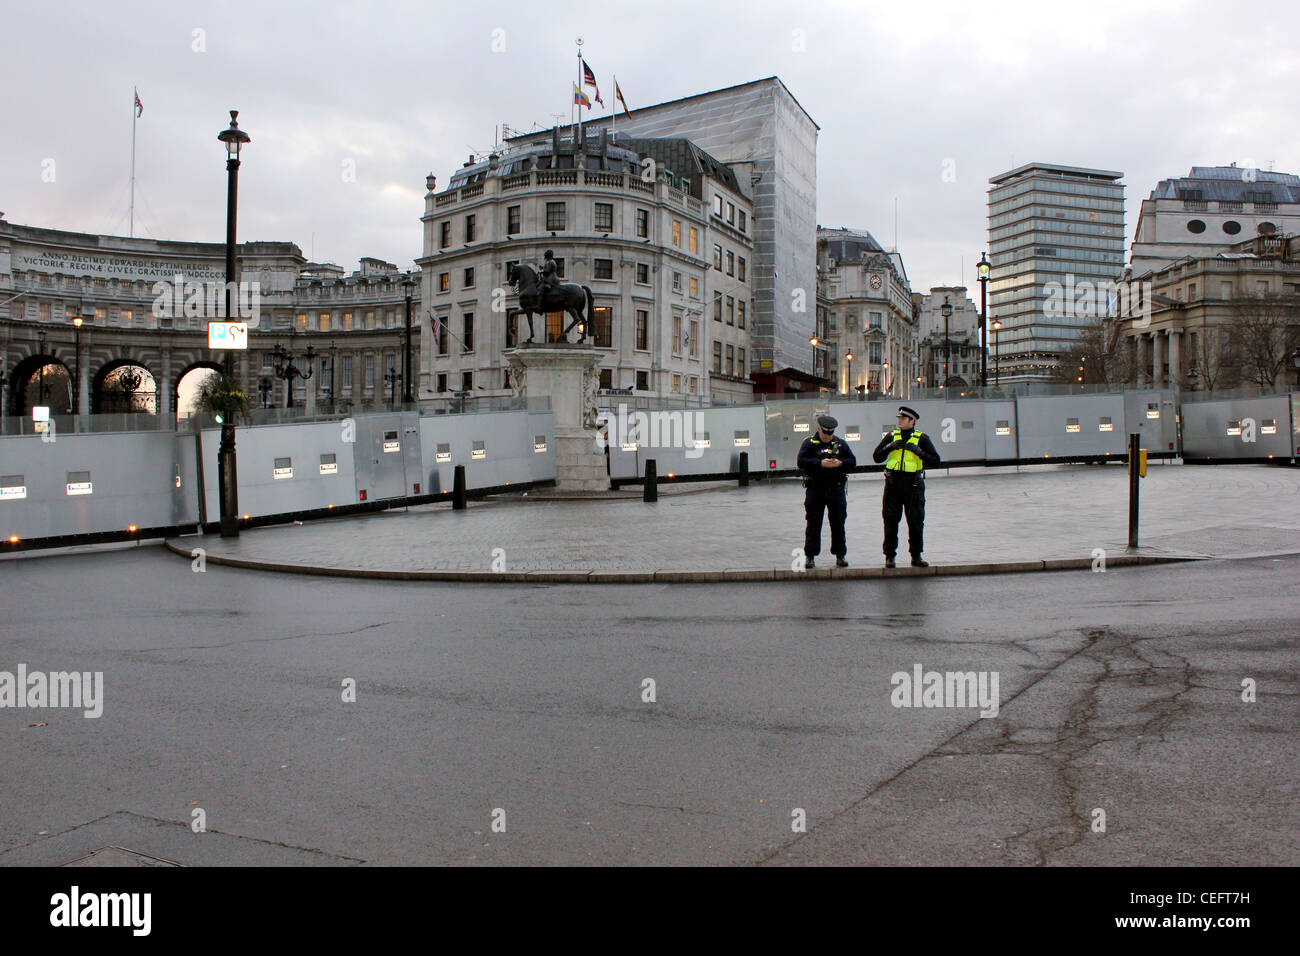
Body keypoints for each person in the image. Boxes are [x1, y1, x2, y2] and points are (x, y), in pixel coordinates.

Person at [872, 405, 941, 568]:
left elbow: (936, 461)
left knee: (916, 521)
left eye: (903, 419)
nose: (900, 421)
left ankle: (916, 556)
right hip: (893, 483)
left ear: (912, 421)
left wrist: (920, 452)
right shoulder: (892, 436)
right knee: (890, 520)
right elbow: (876, 457)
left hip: (913, 484)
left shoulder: (922, 438)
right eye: (899, 419)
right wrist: (889, 447)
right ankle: (889, 556)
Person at [797, 414, 857, 568]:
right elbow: (801, 461)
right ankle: (810, 556)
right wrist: (820, 463)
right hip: (815, 488)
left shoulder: (840, 444)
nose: (828, 436)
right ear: (819, 429)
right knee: (813, 523)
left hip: (835, 488)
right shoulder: (809, 443)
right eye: (825, 432)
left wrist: (839, 463)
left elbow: (852, 462)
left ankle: (840, 555)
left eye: (831, 433)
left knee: (838, 522)